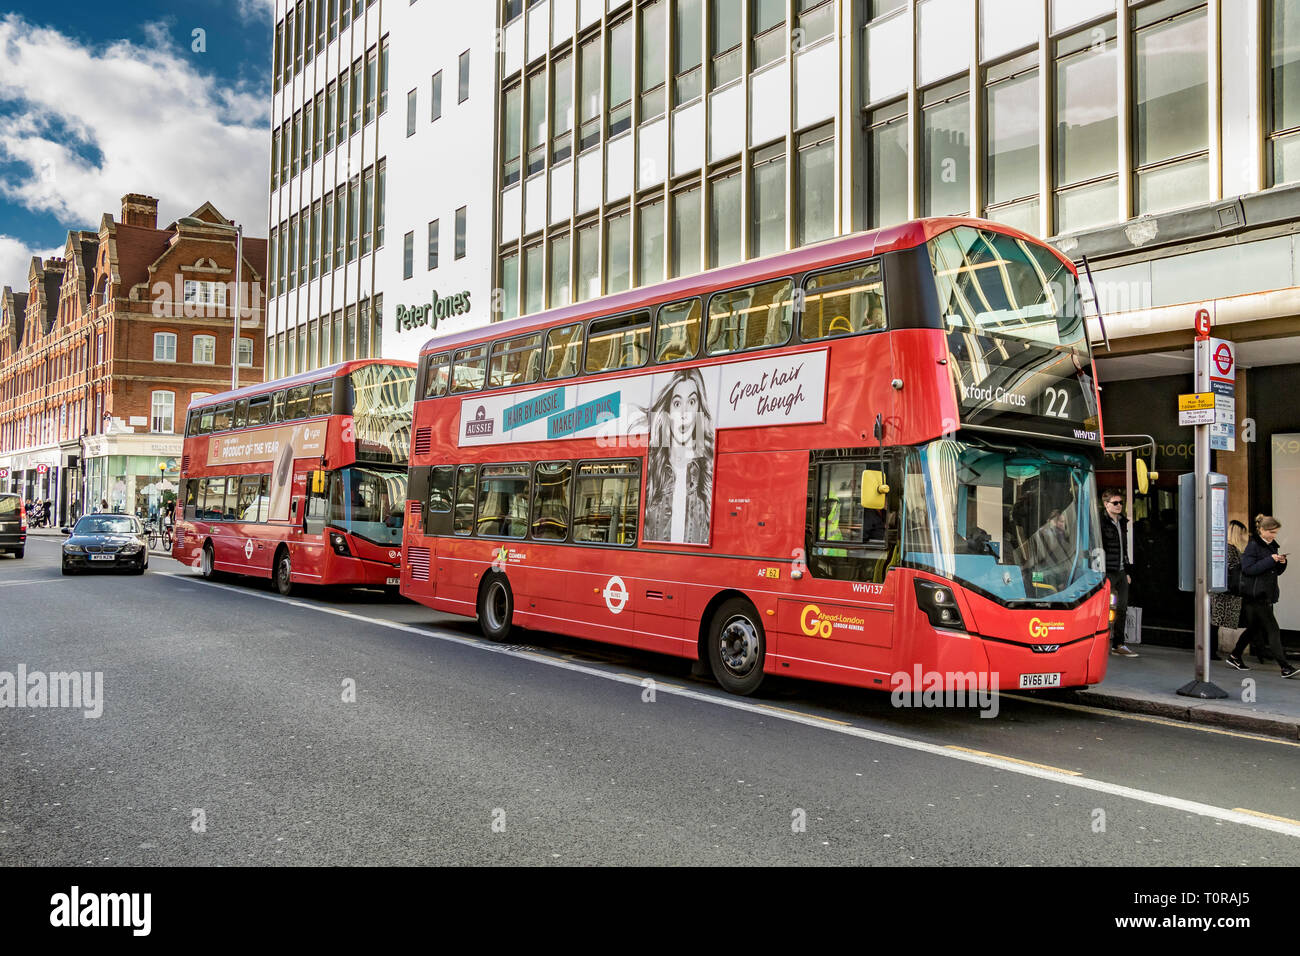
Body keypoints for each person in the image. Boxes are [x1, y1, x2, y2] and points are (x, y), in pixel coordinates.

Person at [644, 367, 714, 544]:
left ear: (699, 409)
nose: (684, 414)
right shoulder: (652, 471)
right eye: (677, 403)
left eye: (691, 402)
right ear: (667, 411)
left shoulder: (708, 475)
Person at [1226, 515, 1298, 677]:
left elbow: (1276, 572)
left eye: (1276, 533)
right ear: (1262, 530)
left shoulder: (1272, 546)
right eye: (1272, 532)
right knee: (1273, 630)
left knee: (1254, 628)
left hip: (1265, 593)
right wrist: (1270, 560)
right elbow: (1248, 569)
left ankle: (1235, 655)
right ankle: (1285, 666)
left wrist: (1281, 563)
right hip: (1255, 594)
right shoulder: (1253, 546)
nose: (1274, 535)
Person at [1100, 489, 1139, 658]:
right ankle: (1099, 642)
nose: (1119, 506)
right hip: (1106, 570)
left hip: (1121, 570)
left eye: (1121, 503)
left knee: (1122, 607)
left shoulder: (1122, 522)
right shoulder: (1100, 522)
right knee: (1102, 608)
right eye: (1115, 503)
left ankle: (1119, 644)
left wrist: (1128, 571)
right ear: (1106, 504)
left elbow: (1124, 548)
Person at [1210, 520, 1249, 662]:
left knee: (1215, 622)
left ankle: (1211, 650)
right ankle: (1210, 650)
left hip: (1222, 590)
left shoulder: (1229, 548)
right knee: (1214, 622)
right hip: (1224, 592)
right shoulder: (1230, 549)